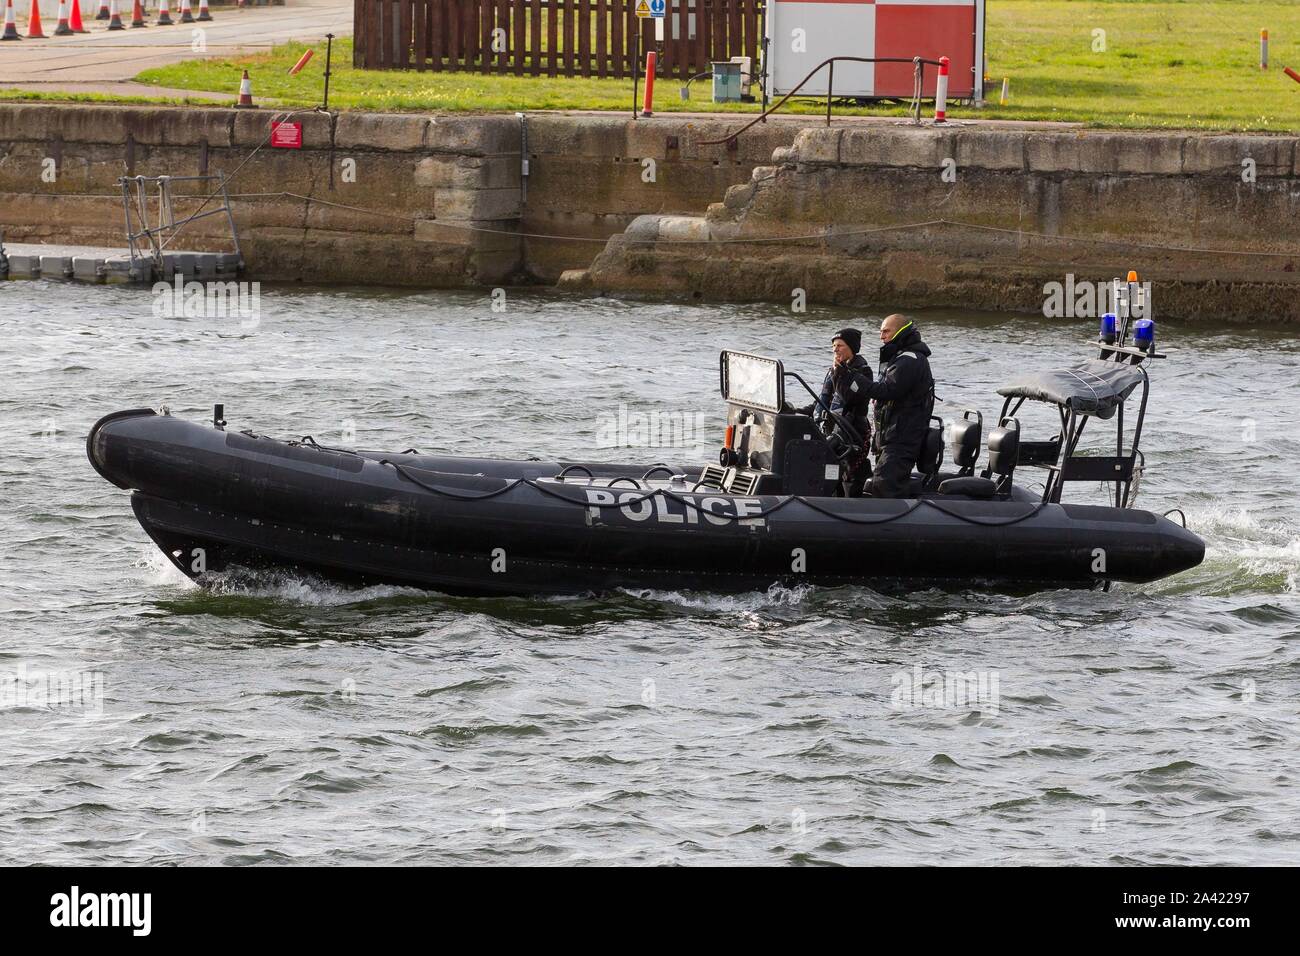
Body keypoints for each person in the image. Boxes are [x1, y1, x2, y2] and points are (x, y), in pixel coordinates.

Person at [792, 328, 874, 497]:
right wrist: (796, 412)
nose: (835, 349)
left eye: (840, 345)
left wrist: (839, 373)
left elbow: (848, 397)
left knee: (848, 473)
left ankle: (857, 500)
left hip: (852, 431)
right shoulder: (833, 371)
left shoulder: (862, 371)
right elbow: (823, 402)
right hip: (829, 428)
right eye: (834, 346)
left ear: (851, 347)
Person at [862, 314, 934, 498]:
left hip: (902, 438)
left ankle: (889, 525)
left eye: (886, 331)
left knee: (884, 484)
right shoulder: (897, 358)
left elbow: (888, 390)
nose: (881, 336)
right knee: (877, 482)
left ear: (901, 331)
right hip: (890, 436)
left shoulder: (910, 360)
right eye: (880, 332)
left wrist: (856, 382)